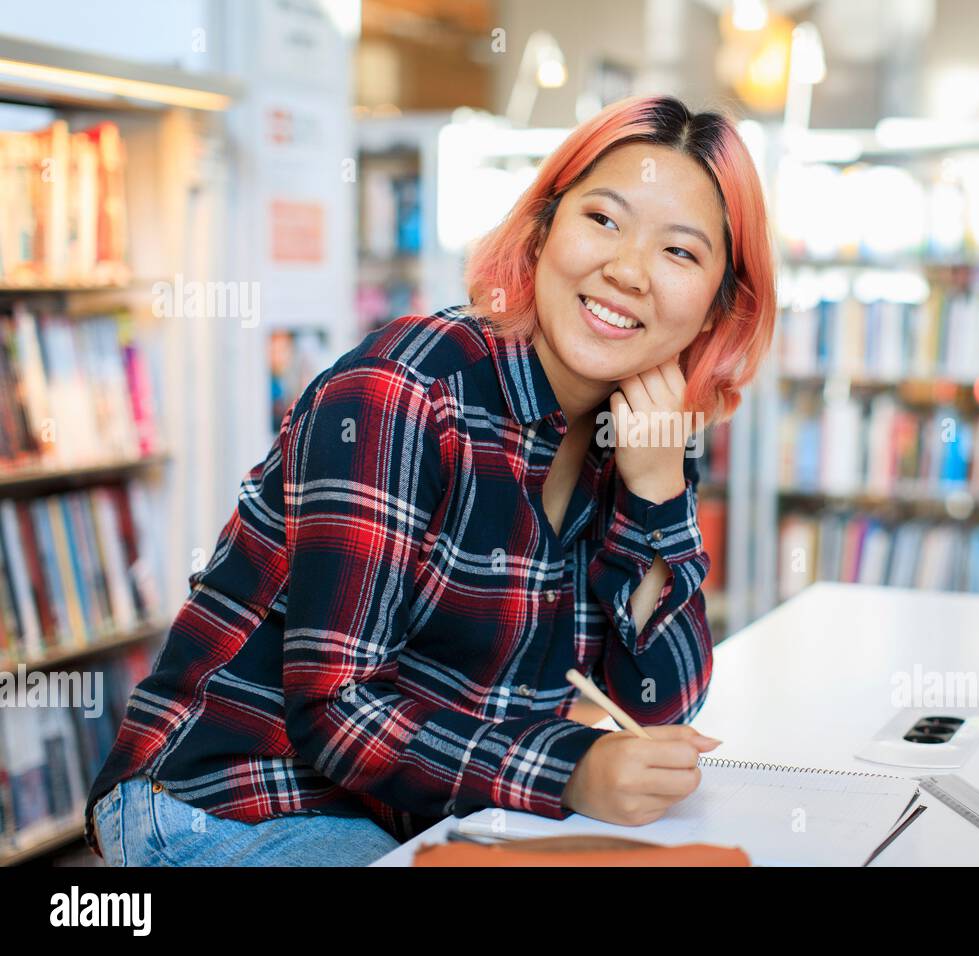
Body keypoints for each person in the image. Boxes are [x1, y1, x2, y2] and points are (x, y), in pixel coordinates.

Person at [84, 94, 776, 866]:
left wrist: (658, 497)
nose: (628, 270)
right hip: (231, 795)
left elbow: (656, 708)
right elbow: (335, 709)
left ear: (721, 306)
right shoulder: (405, 389)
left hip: (423, 814)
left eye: (680, 252)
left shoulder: (649, 432)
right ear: (544, 230)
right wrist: (572, 771)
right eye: (603, 220)